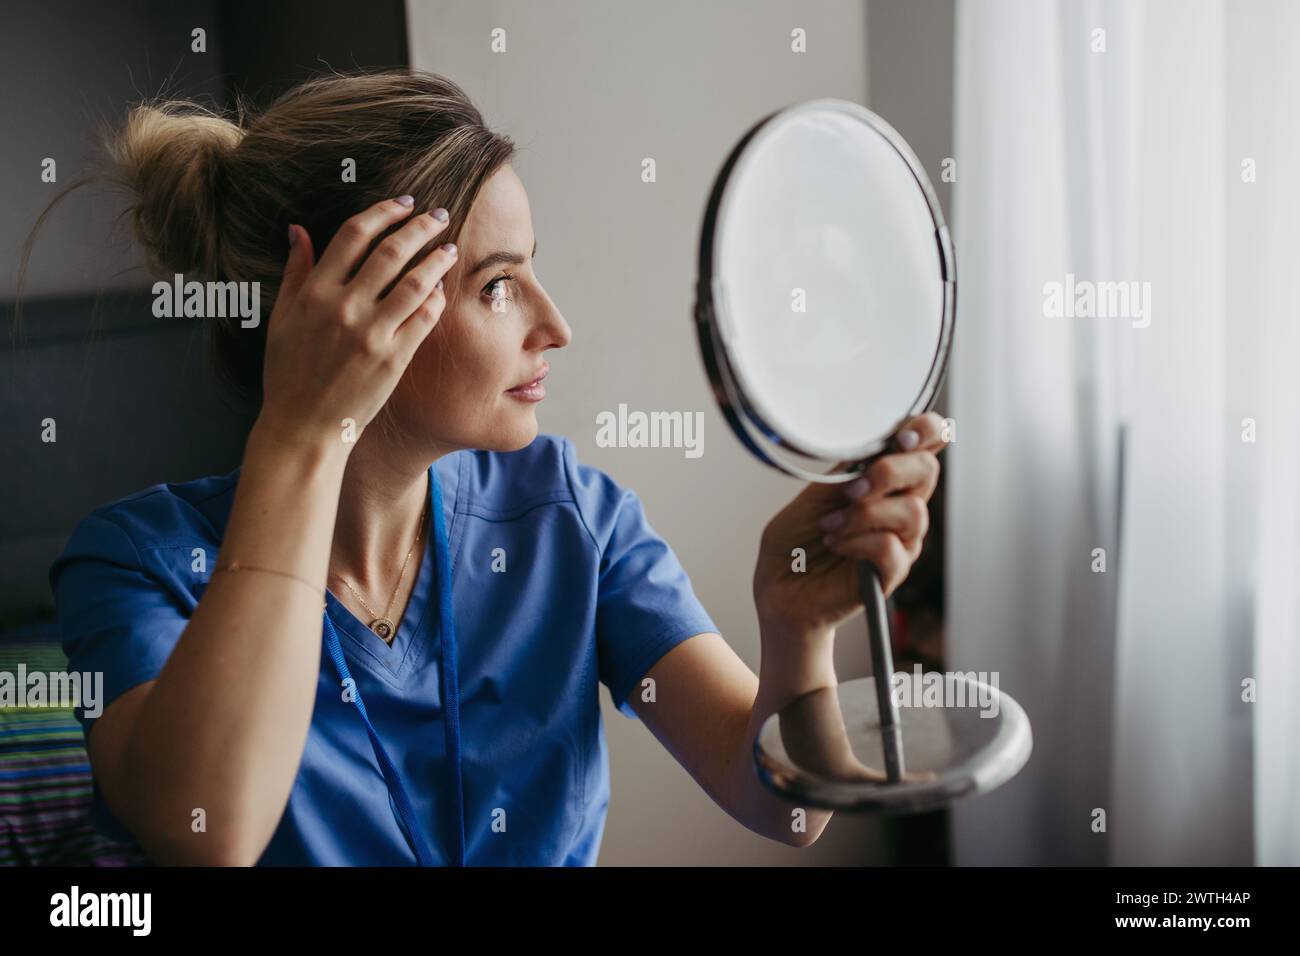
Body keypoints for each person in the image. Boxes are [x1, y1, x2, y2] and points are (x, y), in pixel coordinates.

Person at [40, 70, 948, 866]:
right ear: (345, 314)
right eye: (498, 286)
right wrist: (304, 431)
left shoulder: (570, 521)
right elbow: (209, 831)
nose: (555, 327)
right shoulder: (137, 564)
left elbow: (784, 807)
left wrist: (796, 632)